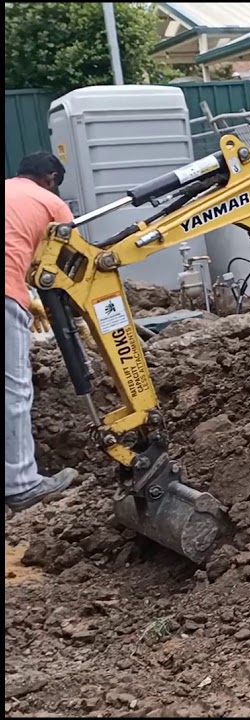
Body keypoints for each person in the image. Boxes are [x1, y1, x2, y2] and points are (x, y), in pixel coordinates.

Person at [6, 152, 80, 512]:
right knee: (13, 389)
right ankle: (20, 484)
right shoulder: (51, 204)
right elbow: (71, 265)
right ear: (50, 178)